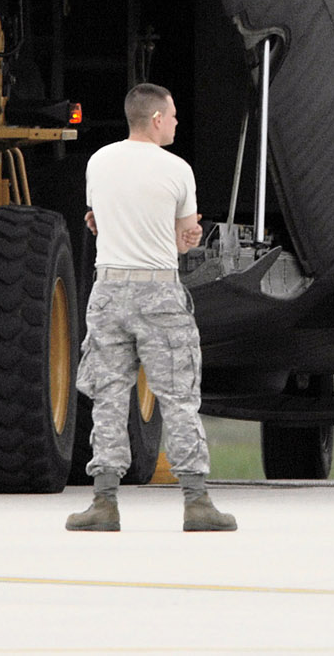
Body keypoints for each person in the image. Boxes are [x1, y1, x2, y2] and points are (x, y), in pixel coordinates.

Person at [66, 83, 236, 533]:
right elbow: (184, 238)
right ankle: (197, 502)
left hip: (109, 292)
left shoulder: (98, 162)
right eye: (174, 115)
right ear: (157, 118)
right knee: (179, 395)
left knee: (108, 396)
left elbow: (97, 221)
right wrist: (188, 236)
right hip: (158, 292)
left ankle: (104, 502)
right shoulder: (178, 170)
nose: (178, 122)